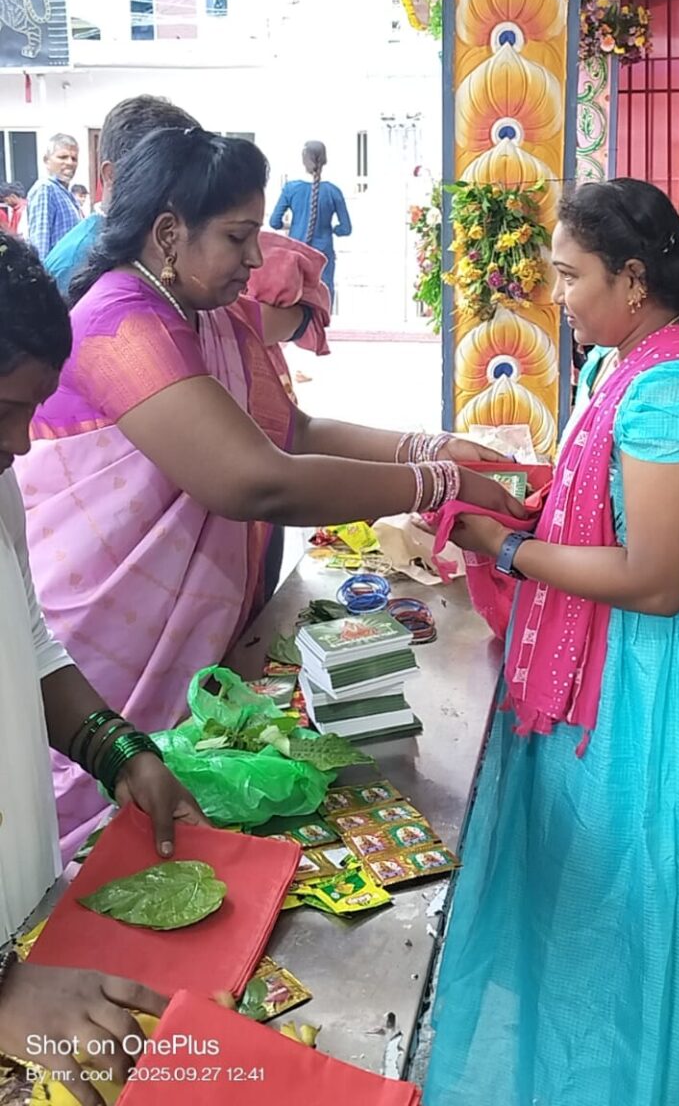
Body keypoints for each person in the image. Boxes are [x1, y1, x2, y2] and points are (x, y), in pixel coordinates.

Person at [16, 127, 521, 860]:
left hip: (184, 630)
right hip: (103, 641)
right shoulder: (119, 321)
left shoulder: (208, 313)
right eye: (238, 236)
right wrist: (437, 483)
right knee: (93, 852)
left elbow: (292, 427)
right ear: (167, 233)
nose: (256, 259)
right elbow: (254, 478)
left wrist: (427, 445)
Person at [425, 178, 679, 1106]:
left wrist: (505, 543)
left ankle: (637, 1081)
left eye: (569, 276)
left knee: (646, 900)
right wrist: (530, 489)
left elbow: (659, 579)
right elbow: (609, 495)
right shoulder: (622, 360)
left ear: (633, 279)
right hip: (615, 667)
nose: (558, 295)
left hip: (658, 679)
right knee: (591, 903)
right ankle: (580, 1072)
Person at [0, 231, 208, 1105]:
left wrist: (124, 753)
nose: (16, 443)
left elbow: (29, 645)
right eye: (0, 407)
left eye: (31, 411)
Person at [45, 96, 198, 298]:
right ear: (112, 176)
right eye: (166, 174)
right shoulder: (76, 261)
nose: (183, 190)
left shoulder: (148, 242)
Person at [269, 141, 351, 305]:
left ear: (304, 160)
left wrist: (292, 225)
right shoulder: (333, 191)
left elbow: (274, 222)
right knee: (324, 293)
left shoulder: (291, 188)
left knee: (295, 294)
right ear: (325, 160)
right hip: (324, 253)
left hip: (296, 250)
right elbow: (346, 228)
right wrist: (332, 229)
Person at [27, 134, 82, 259]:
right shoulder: (45, 189)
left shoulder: (66, 194)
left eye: (74, 158)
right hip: (53, 276)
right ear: (47, 160)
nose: (69, 163)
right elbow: (39, 245)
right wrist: (41, 277)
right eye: (63, 157)